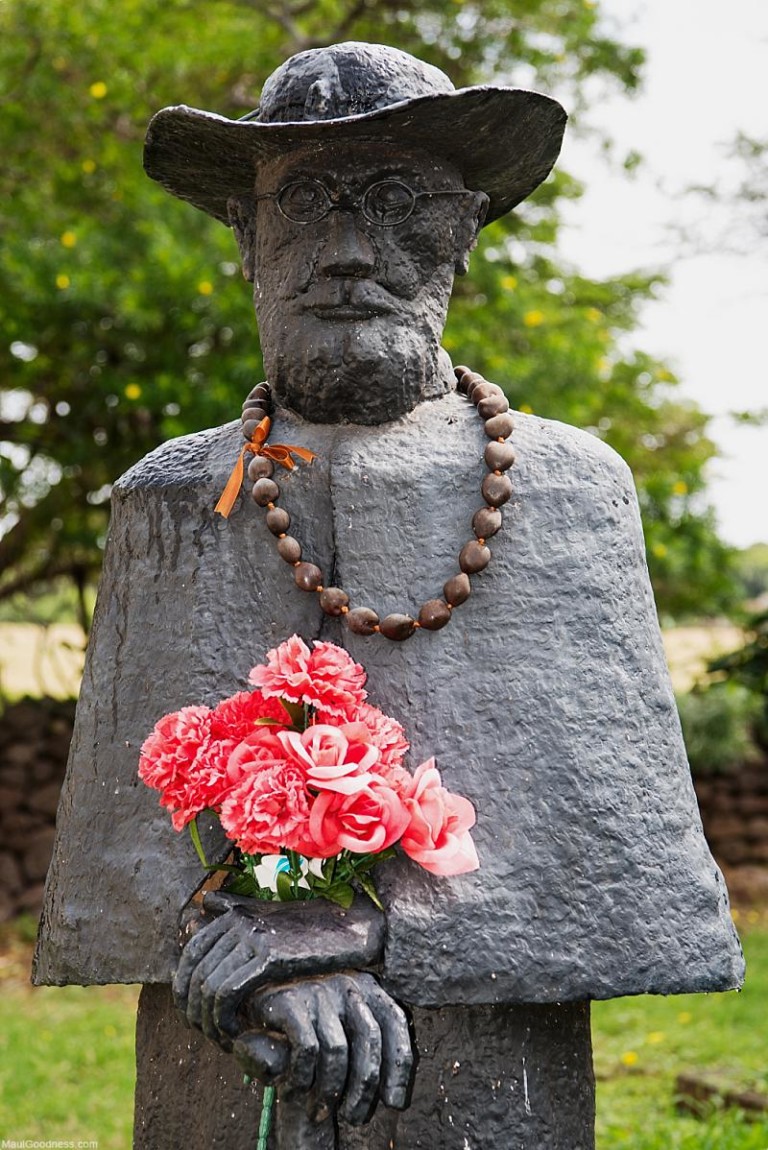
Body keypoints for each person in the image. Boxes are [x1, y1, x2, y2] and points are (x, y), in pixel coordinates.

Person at [35, 42, 744, 1149]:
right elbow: (113, 871)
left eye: (399, 203)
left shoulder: (568, 491)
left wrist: (359, 937)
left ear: (464, 229)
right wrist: (231, 948)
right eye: (305, 205)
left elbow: (635, 879)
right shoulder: (172, 499)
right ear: (248, 239)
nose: (350, 251)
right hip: (218, 1076)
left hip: (492, 1083)